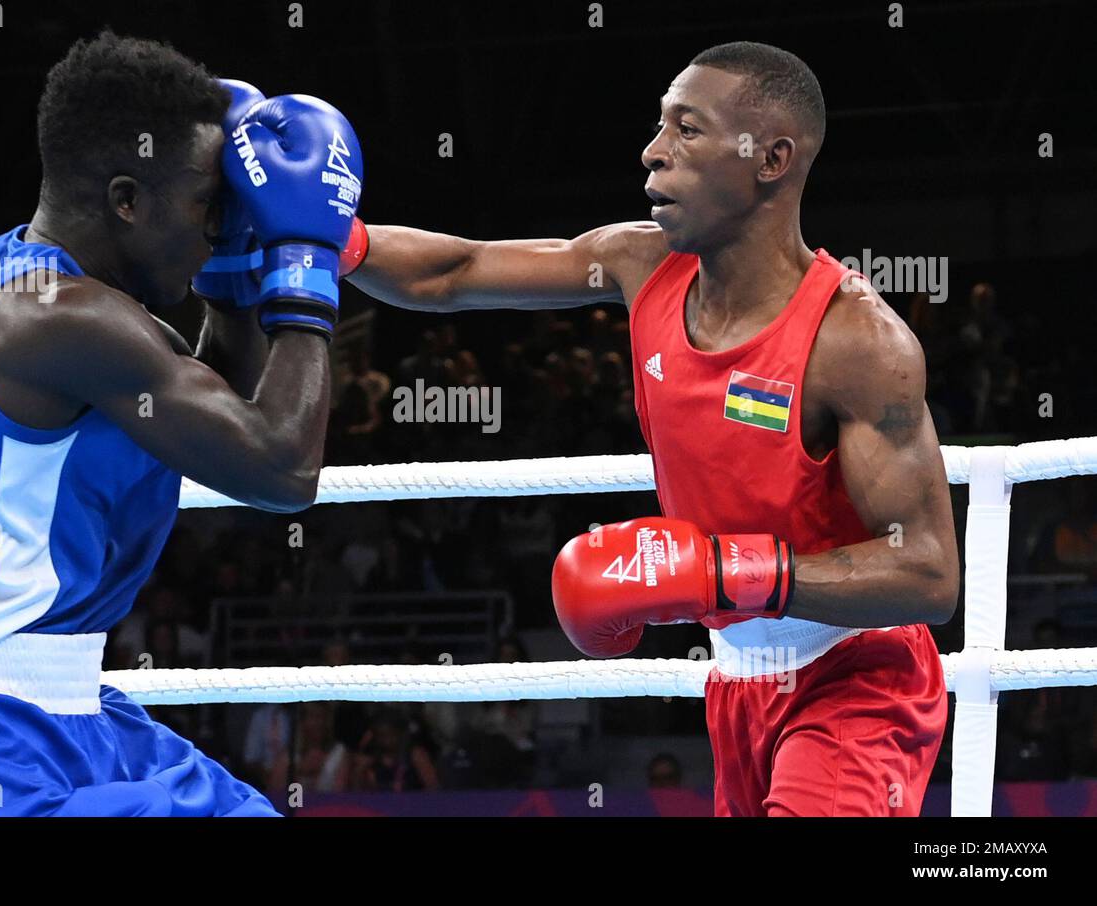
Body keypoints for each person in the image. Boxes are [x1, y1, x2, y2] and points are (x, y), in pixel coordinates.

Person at [345, 42, 957, 816]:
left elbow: (930, 575)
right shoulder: (640, 265)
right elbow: (455, 272)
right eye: (661, 125)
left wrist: (728, 573)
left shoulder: (857, 341)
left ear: (771, 159)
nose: (653, 151)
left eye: (687, 129)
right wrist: (336, 243)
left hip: (858, 676)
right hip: (736, 681)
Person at [0, 31, 364, 816]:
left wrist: (232, 280)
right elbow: (282, 469)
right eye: (207, 207)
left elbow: (227, 418)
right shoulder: (57, 319)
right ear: (127, 201)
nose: (216, 227)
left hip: (81, 712)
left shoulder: (49, 286)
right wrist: (305, 263)